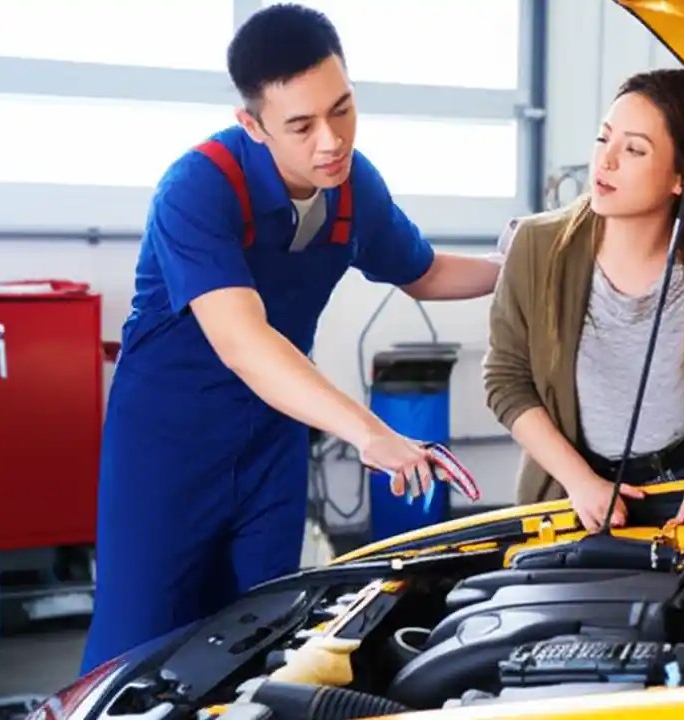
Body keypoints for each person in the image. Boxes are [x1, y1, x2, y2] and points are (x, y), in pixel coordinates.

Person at [80, 3, 501, 674]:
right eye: (301, 125)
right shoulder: (197, 189)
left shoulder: (355, 183)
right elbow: (245, 343)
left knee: (257, 637)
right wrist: (370, 433)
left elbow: (424, 273)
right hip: (167, 447)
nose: (330, 140)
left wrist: (531, 268)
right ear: (252, 123)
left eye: (342, 109)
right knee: (138, 651)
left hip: (273, 438)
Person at [483, 69, 684, 533]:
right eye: (604, 139)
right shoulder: (534, 246)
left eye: (634, 149)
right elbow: (506, 380)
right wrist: (581, 482)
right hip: (577, 492)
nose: (606, 161)